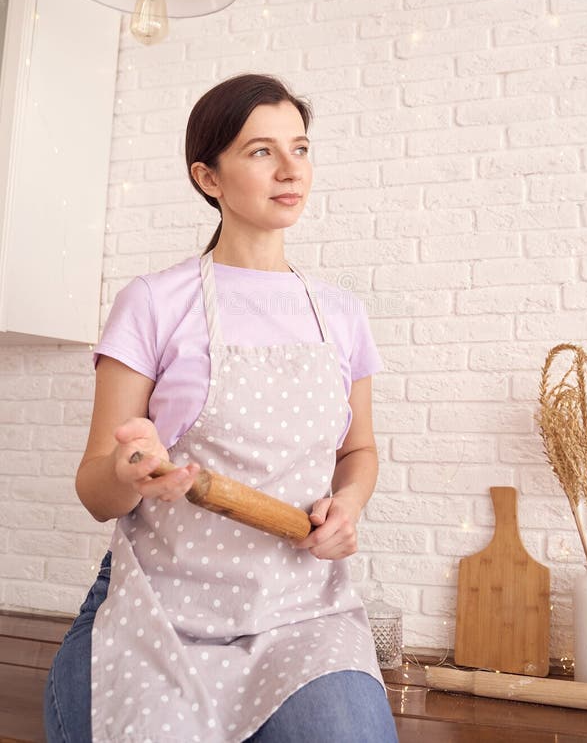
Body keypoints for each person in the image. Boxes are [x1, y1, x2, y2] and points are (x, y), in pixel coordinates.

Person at [44, 74, 398, 743]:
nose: (291, 168)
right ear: (208, 178)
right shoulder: (152, 302)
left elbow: (359, 451)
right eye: (262, 151)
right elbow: (95, 487)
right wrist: (127, 470)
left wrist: (347, 507)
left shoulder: (342, 314)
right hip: (159, 610)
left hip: (303, 614)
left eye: (300, 147)